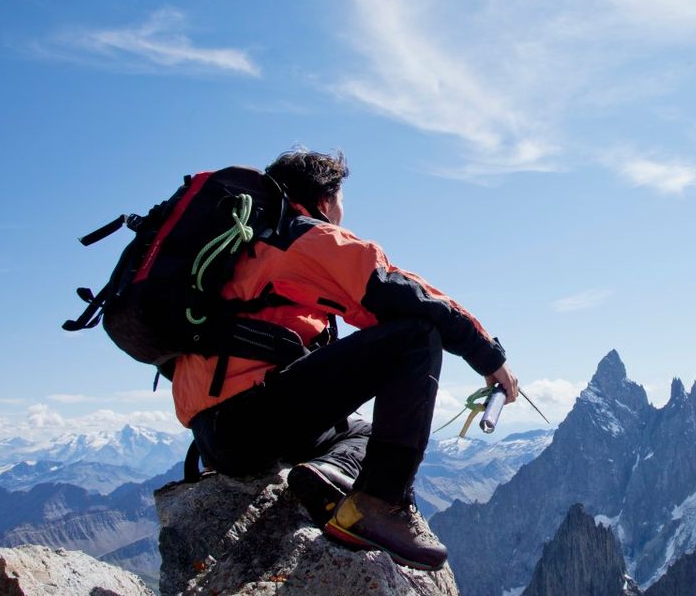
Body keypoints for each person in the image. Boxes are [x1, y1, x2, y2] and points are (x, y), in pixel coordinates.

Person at [172, 148, 518, 571]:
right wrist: (489, 356)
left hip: (218, 435)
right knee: (415, 337)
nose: (341, 213)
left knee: (362, 434)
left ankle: (328, 475)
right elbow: (405, 296)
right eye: (339, 201)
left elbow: (370, 312)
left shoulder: (245, 248)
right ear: (324, 200)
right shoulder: (301, 236)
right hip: (250, 418)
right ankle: (377, 505)